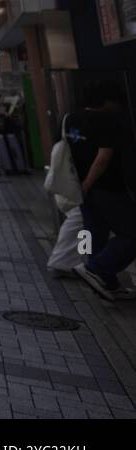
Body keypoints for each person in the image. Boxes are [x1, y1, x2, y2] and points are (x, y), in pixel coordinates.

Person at [66, 81, 136, 300]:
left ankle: (106, 281)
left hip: (80, 187)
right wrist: (89, 181)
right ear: (106, 102)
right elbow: (103, 157)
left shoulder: (69, 118)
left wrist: (82, 185)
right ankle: (96, 267)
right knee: (131, 233)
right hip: (106, 186)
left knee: (91, 231)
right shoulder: (107, 120)